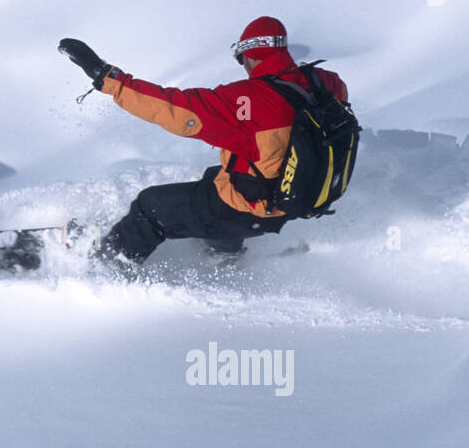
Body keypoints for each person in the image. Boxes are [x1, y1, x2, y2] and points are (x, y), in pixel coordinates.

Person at [58, 16, 349, 266]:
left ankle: (107, 265)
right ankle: (225, 254)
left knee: (150, 207)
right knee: (216, 179)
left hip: (249, 209)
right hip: (295, 201)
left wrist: (106, 77)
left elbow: (173, 108)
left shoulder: (246, 100)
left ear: (250, 55)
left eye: (241, 59)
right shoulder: (325, 84)